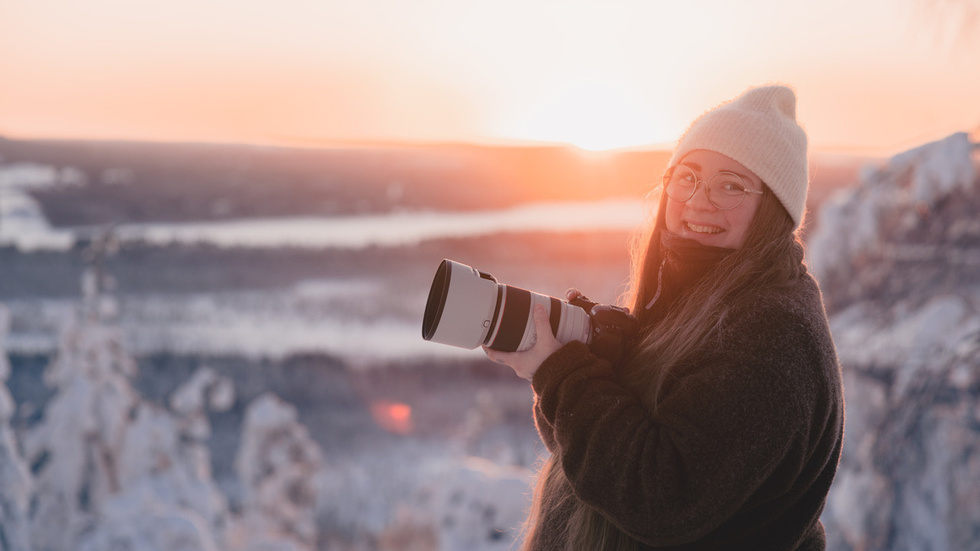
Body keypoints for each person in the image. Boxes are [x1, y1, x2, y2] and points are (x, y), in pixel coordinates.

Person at [485, 84, 844, 550]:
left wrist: (562, 375)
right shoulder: (699, 294)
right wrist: (598, 370)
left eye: (731, 185)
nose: (699, 200)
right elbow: (601, 469)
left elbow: (658, 498)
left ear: (773, 208)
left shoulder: (772, 335)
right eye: (687, 176)